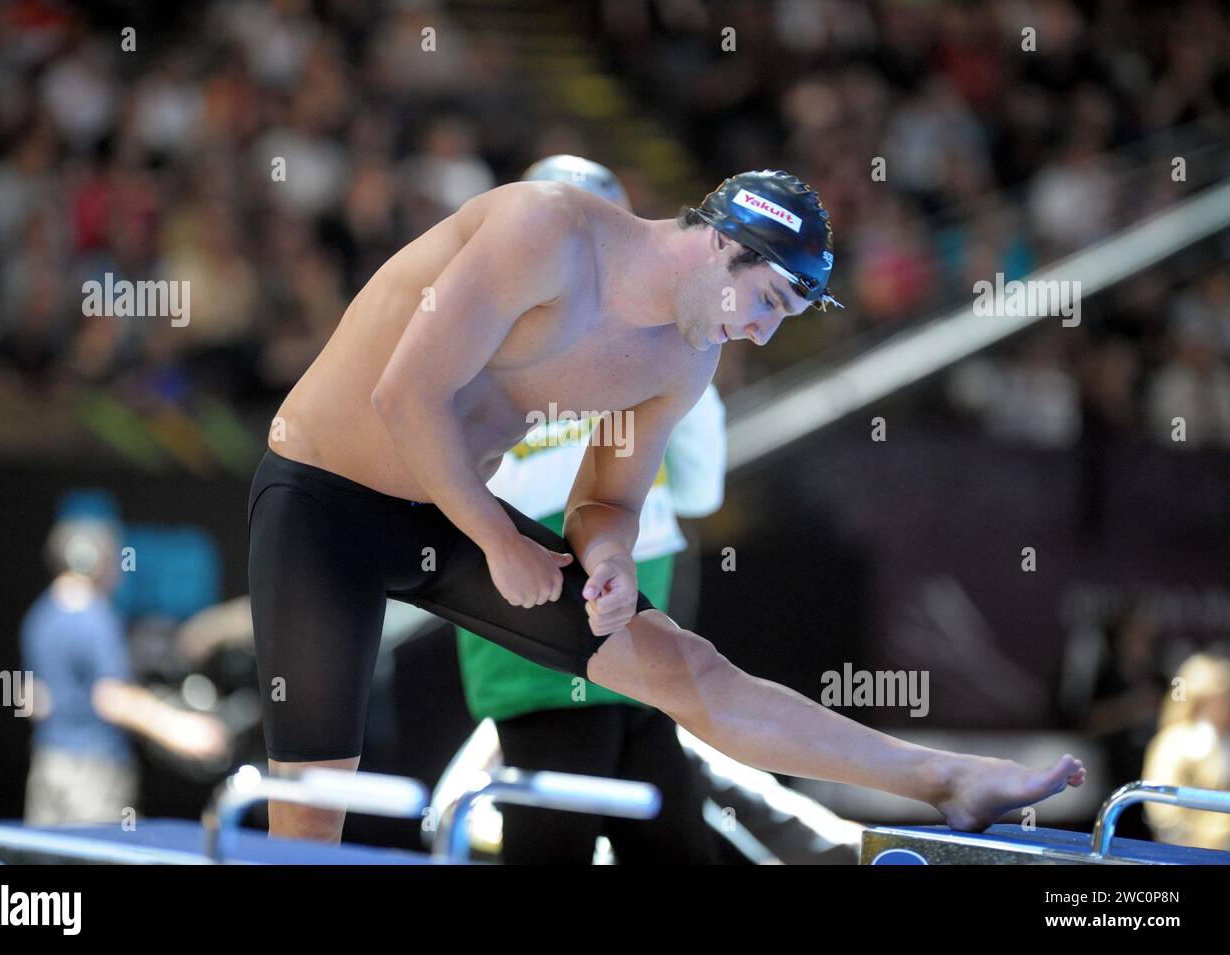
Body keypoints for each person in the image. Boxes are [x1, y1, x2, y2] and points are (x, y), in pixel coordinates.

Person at [250, 168, 1086, 843]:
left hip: (447, 513)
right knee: (311, 813)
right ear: (722, 244)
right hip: (323, 503)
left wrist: (609, 559)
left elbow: (606, 499)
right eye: (767, 303)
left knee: (693, 671)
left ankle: (944, 777)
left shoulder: (678, 362)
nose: (760, 334)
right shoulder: (547, 231)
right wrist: (499, 542)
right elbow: (407, 396)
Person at [453, 155, 723, 864]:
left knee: (634, 830)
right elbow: (702, 490)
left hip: (534, 612)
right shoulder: (665, 338)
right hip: (602, 613)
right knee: (624, 832)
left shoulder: (484, 325)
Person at [22, 510, 228, 824]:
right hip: (93, 774)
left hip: (47, 766)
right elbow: (111, 698)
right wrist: (180, 730)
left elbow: (33, 700)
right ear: (92, 560)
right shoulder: (94, 618)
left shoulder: (39, 617)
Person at [1142, 654, 1230, 851]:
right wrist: (1200, 843)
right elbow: (1162, 810)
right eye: (1221, 697)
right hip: (1193, 851)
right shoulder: (1174, 742)